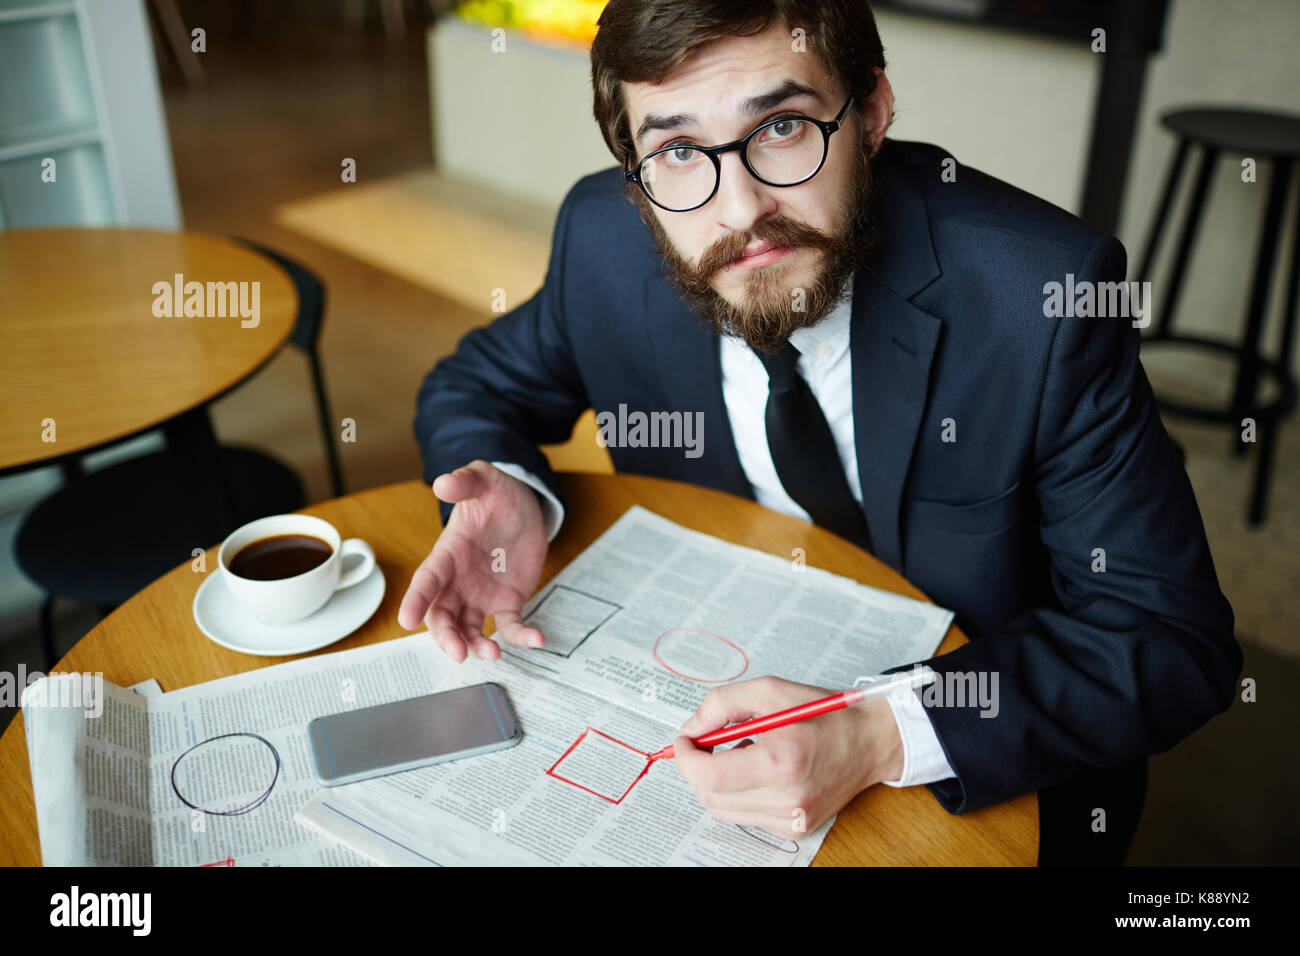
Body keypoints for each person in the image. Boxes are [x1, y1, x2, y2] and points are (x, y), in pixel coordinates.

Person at [399, 0, 1241, 865]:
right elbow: (475, 383)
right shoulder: (608, 237)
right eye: (679, 150)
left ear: (871, 112)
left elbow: (1169, 637)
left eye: (785, 127)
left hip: (985, 776)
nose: (740, 211)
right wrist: (512, 487)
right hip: (715, 712)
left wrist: (878, 734)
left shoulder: (1040, 296)